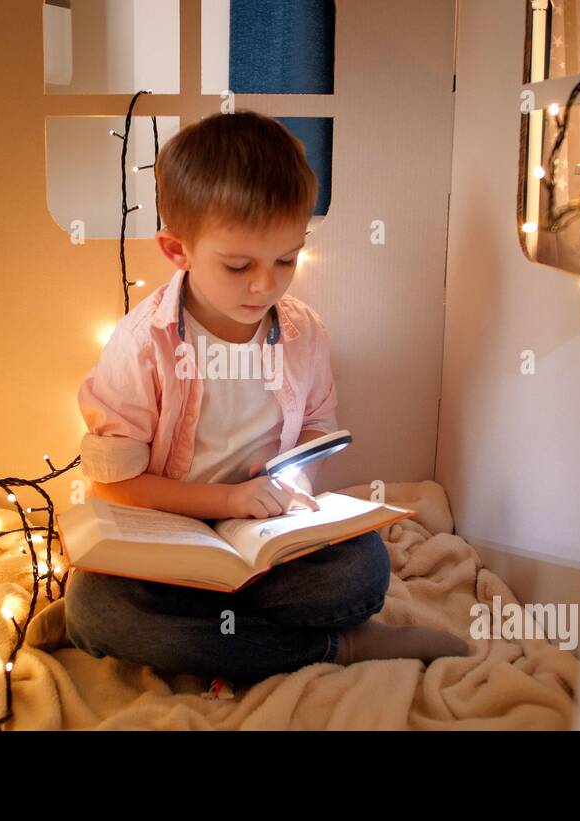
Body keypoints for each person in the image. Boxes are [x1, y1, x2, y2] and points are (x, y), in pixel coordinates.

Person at [65, 110, 468, 684]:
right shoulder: (140, 345)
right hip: (167, 538)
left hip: (261, 542)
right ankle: (333, 648)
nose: (266, 284)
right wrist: (227, 504)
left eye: (286, 259)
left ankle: (200, 636)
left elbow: (313, 432)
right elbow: (115, 484)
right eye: (238, 265)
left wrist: (294, 483)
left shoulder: (303, 333)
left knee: (362, 573)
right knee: (98, 607)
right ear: (176, 249)